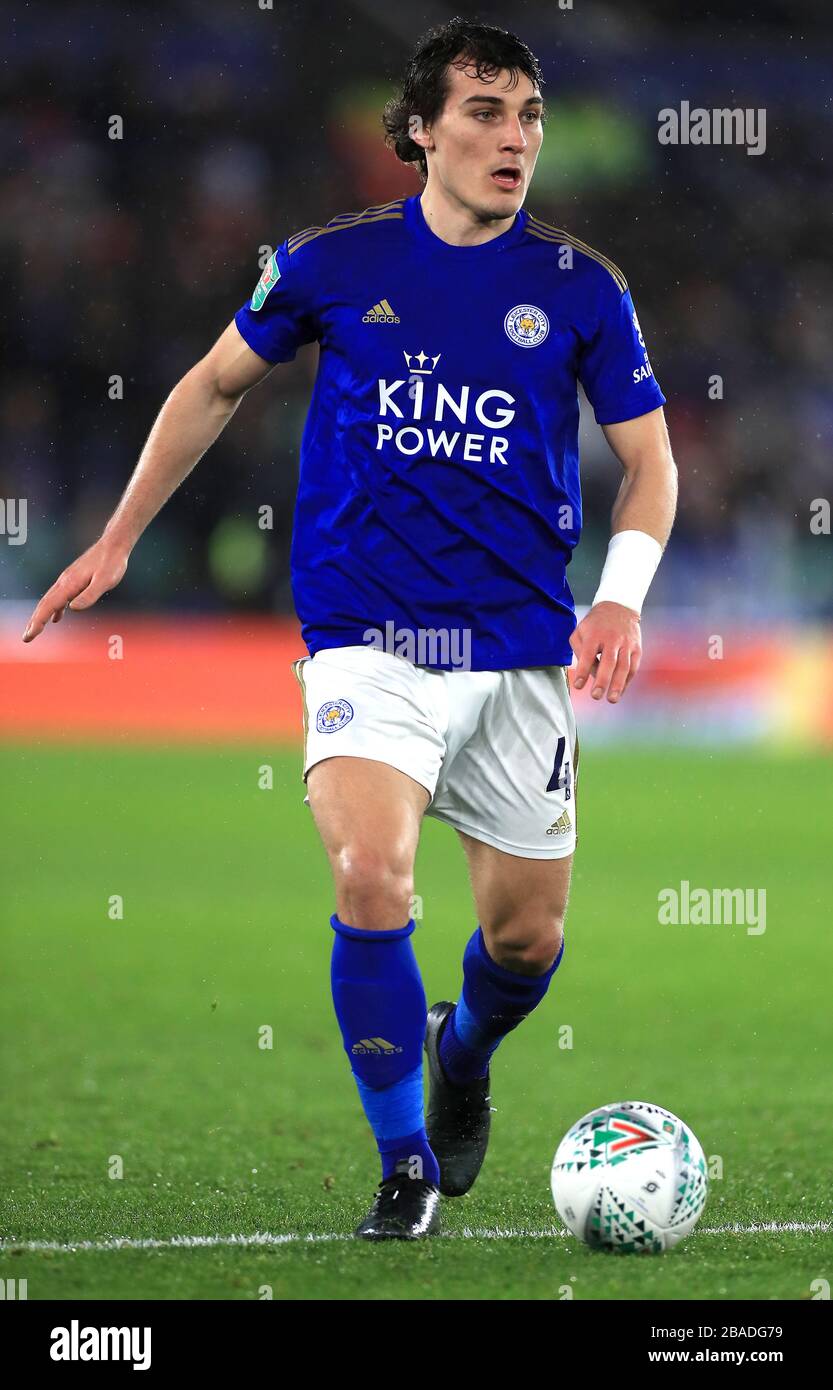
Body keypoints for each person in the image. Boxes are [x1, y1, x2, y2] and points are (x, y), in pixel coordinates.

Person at [22, 17, 677, 1240]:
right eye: (483, 111)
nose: (513, 137)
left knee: (525, 944)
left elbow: (649, 467)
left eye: (528, 114)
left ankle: (462, 1052)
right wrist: (116, 538)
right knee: (371, 879)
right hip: (368, 640)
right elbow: (213, 382)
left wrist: (622, 594)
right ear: (420, 129)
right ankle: (405, 1164)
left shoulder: (584, 289)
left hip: (519, 651)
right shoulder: (326, 263)